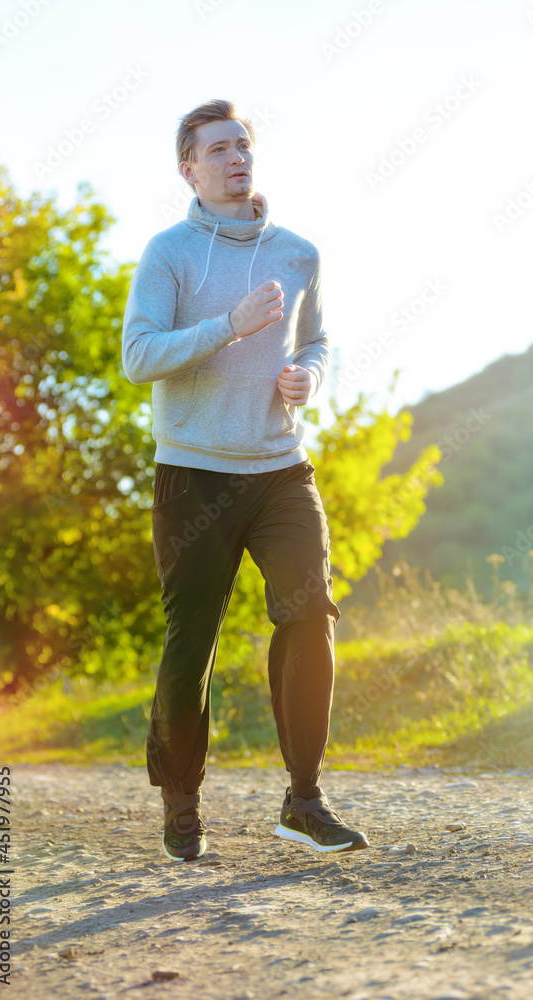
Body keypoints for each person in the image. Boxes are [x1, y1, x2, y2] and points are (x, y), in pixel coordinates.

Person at [121, 99, 369, 861]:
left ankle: (304, 799)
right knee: (191, 641)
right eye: (218, 149)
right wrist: (228, 325)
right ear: (187, 167)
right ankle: (182, 801)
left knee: (310, 617)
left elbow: (319, 339)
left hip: (280, 468)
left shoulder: (298, 253)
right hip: (193, 471)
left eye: (243, 147)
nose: (236, 159)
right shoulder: (167, 253)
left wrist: (307, 377)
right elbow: (139, 358)